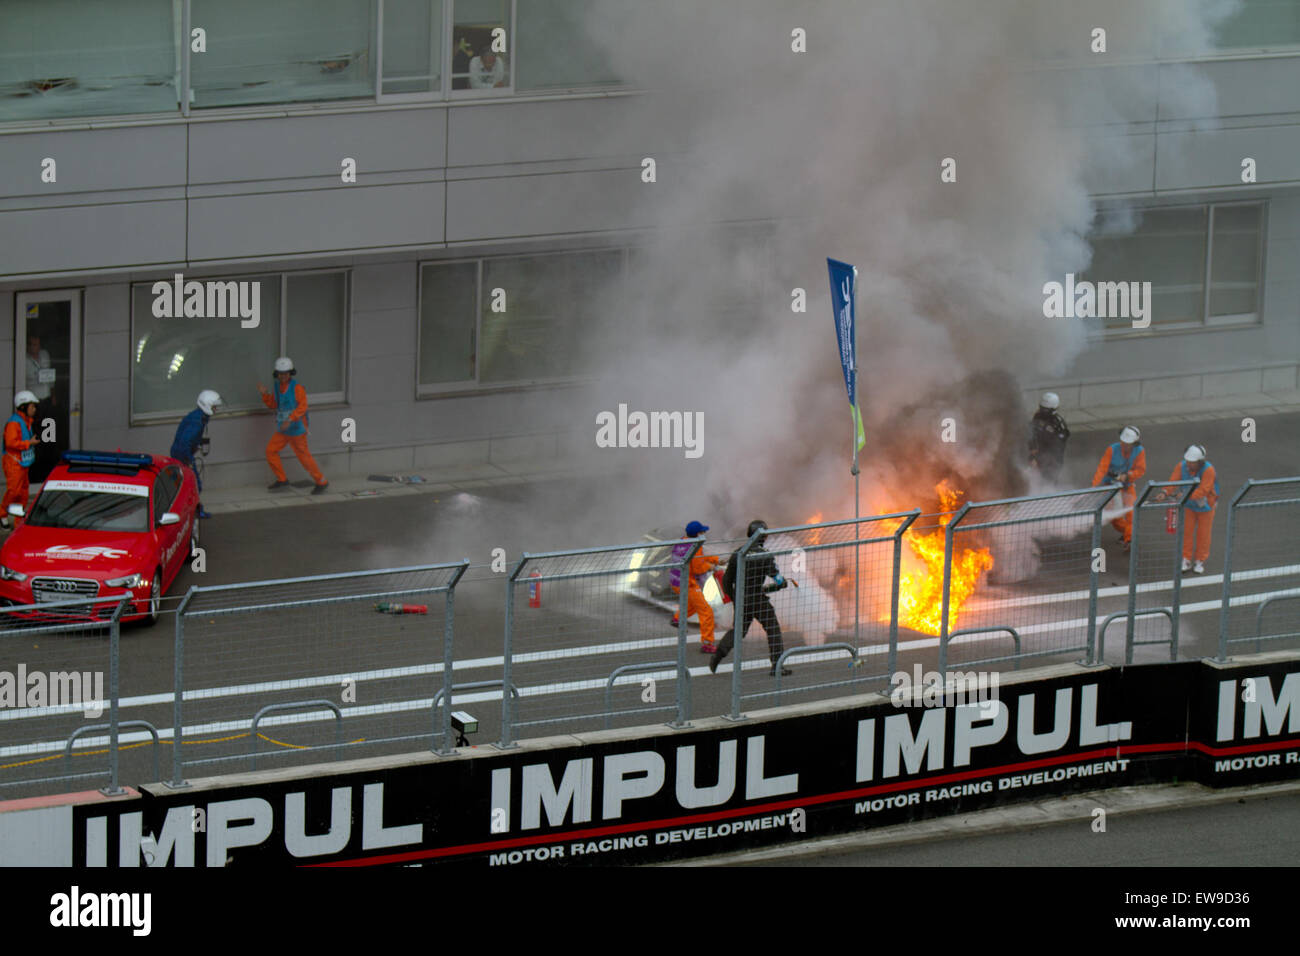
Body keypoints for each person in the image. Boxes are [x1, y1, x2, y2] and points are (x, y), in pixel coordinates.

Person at [710, 519, 791, 677]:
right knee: (773, 629)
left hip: (742, 598)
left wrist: (735, 598)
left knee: (737, 632)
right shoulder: (765, 555)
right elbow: (778, 579)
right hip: (758, 599)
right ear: (763, 536)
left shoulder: (738, 553)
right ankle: (777, 666)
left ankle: (717, 657)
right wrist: (783, 583)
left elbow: (727, 581)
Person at [258, 357, 328, 495]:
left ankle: (321, 482)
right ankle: (282, 479)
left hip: (296, 430)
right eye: (281, 373)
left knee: (304, 458)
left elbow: (303, 407)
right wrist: (265, 394)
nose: (283, 376)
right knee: (270, 451)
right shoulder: (277, 386)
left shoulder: (297, 388)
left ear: (290, 373)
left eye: (286, 373)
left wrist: (289, 420)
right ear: (277, 374)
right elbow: (274, 404)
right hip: (283, 429)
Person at [668, 520, 722, 654]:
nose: (704, 534)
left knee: (693, 604)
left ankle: (677, 619)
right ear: (698, 534)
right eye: (703, 532)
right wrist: (713, 566)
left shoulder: (682, 541)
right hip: (687, 584)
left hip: (675, 581)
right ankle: (707, 643)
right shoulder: (695, 546)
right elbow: (698, 568)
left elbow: (698, 559)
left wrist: (716, 559)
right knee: (707, 612)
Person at [1091, 426, 1145, 552]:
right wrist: (1095, 487)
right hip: (1110, 486)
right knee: (1114, 517)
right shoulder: (1112, 450)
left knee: (1132, 512)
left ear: (1134, 443)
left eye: (1128, 444)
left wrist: (1128, 476)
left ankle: (1129, 540)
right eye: (1124, 443)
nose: (1125, 446)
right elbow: (1102, 469)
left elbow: (1140, 470)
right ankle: (1128, 532)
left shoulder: (1140, 451)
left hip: (1127, 486)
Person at [1167, 444, 1218, 574]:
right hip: (1188, 505)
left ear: (1200, 462)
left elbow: (1203, 490)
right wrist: (1165, 492)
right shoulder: (1181, 466)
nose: (1189, 464)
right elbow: (1173, 481)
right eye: (1188, 461)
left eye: (1192, 462)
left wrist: (1184, 495)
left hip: (1206, 507)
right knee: (1186, 532)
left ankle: (1200, 560)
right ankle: (1186, 558)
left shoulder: (1208, 470)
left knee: (1204, 535)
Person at [170, 390, 222, 518]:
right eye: (214, 406)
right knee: (194, 484)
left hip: (181, 454)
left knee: (182, 484)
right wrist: (189, 459)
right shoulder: (197, 421)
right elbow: (185, 441)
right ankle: (194, 511)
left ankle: (189, 510)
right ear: (207, 405)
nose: (216, 409)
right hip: (182, 456)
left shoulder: (199, 417)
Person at [2, 392, 40, 529]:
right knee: (14, 492)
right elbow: (10, 443)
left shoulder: (27, 421)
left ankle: (18, 520)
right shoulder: (14, 423)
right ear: (23, 407)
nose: (34, 409)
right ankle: (2, 514)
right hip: (14, 462)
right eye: (32, 406)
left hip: (22, 462)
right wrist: (28, 443)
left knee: (23, 492)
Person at [1028, 391, 1070, 482]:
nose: (1043, 412)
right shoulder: (1038, 416)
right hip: (1037, 455)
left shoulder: (1058, 425)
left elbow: (1056, 449)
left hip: (1051, 461)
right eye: (1042, 408)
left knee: (1048, 482)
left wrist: (1040, 459)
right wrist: (1033, 454)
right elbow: (1032, 433)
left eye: (1046, 410)